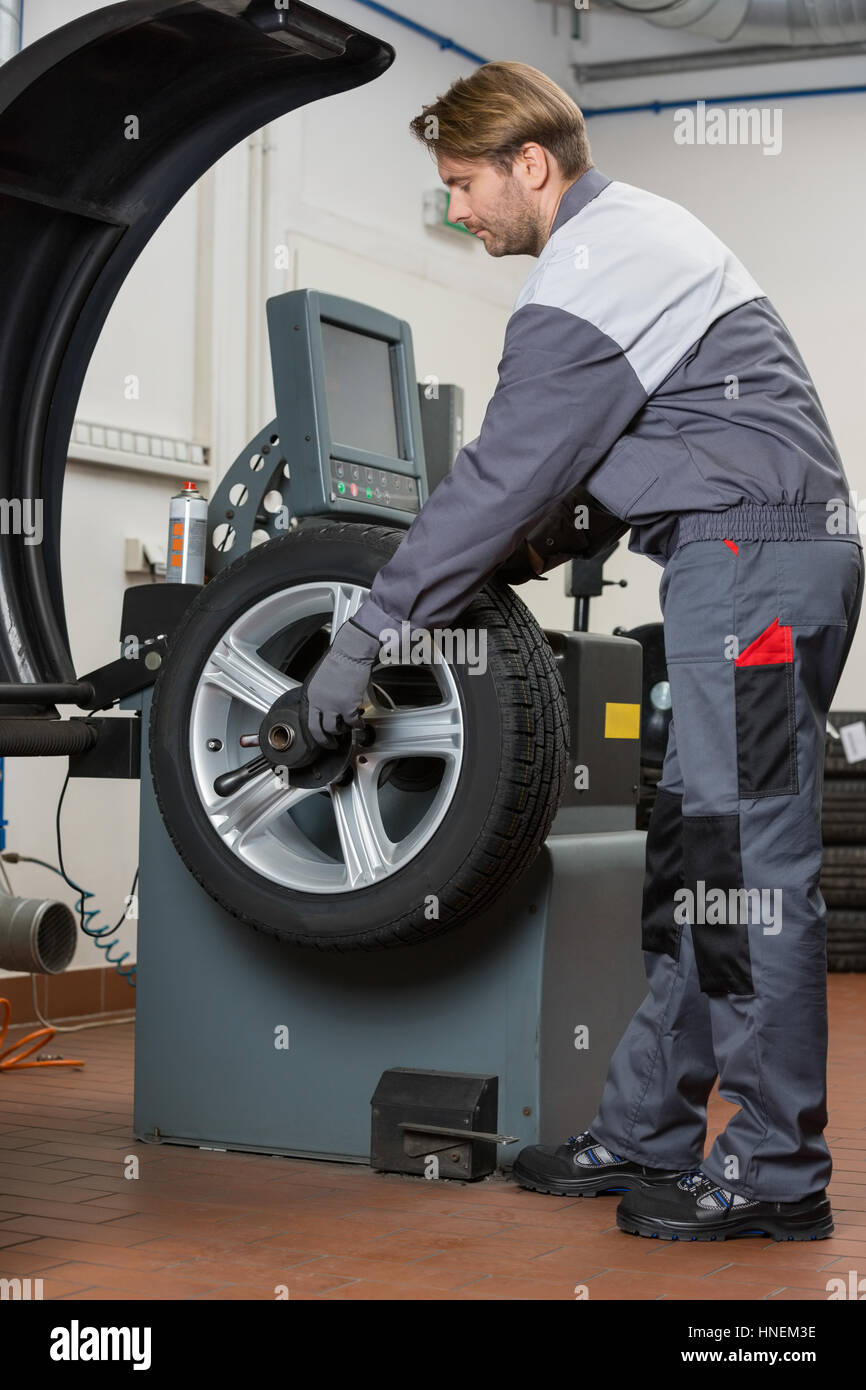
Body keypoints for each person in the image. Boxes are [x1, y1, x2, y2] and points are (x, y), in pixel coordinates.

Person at [303, 62, 864, 1241]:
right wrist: (503, 558)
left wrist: (363, 637)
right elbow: (589, 476)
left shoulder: (590, 267)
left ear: (530, 164)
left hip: (751, 568)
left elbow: (506, 475)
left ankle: (775, 1172)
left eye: (463, 183)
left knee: (744, 868)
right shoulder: (630, 241)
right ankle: (644, 1128)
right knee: (699, 858)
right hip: (742, 558)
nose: (455, 208)